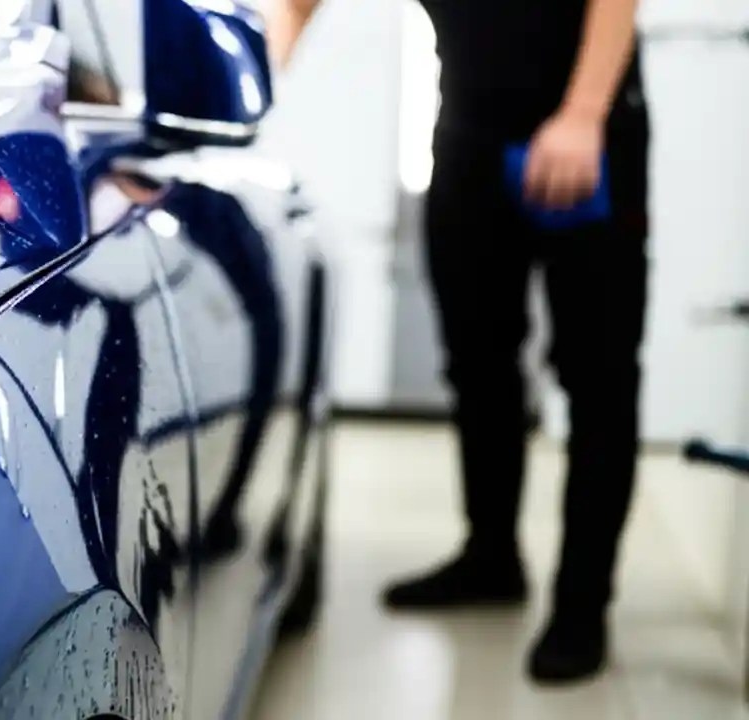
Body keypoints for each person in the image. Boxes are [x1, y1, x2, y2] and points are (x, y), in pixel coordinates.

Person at [267, 0, 651, 684]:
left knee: (597, 376)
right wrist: (252, 99)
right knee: (477, 360)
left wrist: (584, 115)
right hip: (470, 132)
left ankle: (581, 605)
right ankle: (491, 555)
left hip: (586, 133)